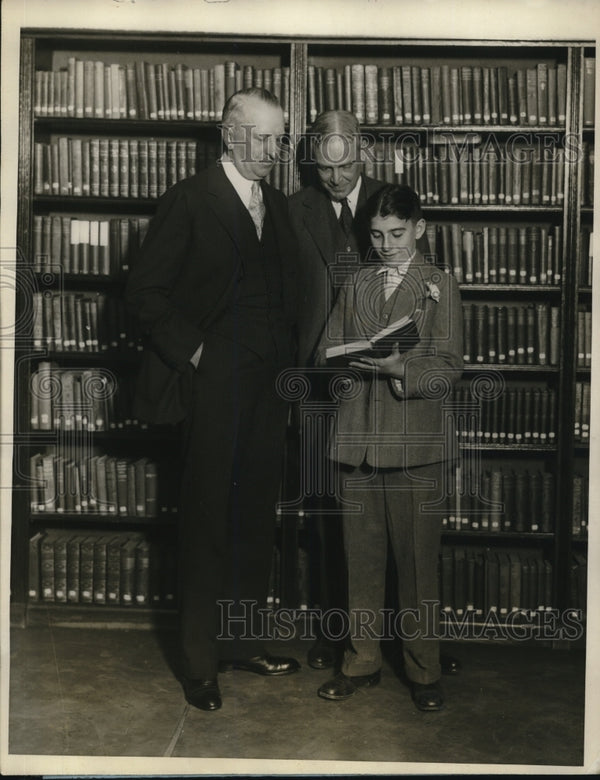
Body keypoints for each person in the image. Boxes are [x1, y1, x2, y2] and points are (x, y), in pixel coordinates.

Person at [126, 87, 300, 712]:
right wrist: (198, 354)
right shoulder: (189, 200)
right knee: (206, 522)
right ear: (230, 135)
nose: (274, 151)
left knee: (255, 516)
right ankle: (201, 663)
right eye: (262, 138)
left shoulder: (277, 207)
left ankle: (241, 640)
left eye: (280, 140)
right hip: (213, 383)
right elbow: (145, 294)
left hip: (267, 388)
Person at [287, 110, 439, 673]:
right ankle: (344, 640)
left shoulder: (393, 205)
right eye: (324, 168)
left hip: (399, 407)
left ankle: (412, 649)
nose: (334, 177)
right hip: (323, 385)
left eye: (345, 163)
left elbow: (434, 321)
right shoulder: (292, 208)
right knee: (339, 522)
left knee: (403, 532)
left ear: (362, 152)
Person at [315, 184, 463, 711]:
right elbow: (326, 347)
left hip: (417, 447)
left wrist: (404, 370)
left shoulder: (439, 285)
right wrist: (342, 359)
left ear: (419, 228)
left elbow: (448, 370)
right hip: (357, 441)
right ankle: (362, 662)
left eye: (397, 234)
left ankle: (424, 671)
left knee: (418, 564)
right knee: (361, 560)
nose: (386, 244)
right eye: (376, 235)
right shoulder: (355, 283)